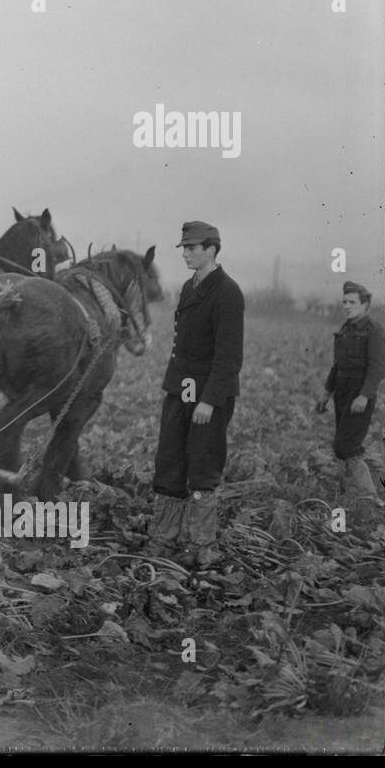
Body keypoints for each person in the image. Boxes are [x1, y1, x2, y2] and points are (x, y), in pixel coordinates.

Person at [148, 221, 245, 566]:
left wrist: (209, 399)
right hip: (181, 388)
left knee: (203, 464)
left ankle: (202, 545)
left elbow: (229, 356)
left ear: (212, 249)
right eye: (184, 248)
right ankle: (164, 537)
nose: (186, 253)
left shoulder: (227, 292)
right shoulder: (191, 288)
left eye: (192, 247)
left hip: (208, 394)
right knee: (170, 460)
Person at [316, 280, 385, 521]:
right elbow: (338, 366)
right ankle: (349, 494)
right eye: (344, 302)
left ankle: (371, 499)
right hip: (343, 392)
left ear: (365, 304)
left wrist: (364, 395)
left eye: (352, 302)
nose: (347, 306)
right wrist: (327, 392)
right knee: (344, 444)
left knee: (346, 446)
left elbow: (378, 367)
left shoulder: (373, 330)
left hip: (359, 392)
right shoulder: (346, 328)